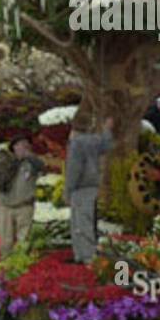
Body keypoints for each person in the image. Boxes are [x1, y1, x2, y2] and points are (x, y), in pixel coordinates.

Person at [65, 113, 115, 263]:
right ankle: (86, 254)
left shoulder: (77, 144)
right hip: (92, 186)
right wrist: (107, 128)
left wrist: (68, 189)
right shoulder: (94, 141)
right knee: (88, 219)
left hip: (79, 187)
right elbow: (108, 144)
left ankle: (84, 255)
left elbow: (74, 169)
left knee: (79, 223)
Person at [0, 135, 42, 258]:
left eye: (27, 144)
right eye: (21, 144)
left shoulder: (32, 163)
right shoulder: (4, 160)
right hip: (6, 206)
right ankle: (5, 260)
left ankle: (20, 261)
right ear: (14, 147)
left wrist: (29, 156)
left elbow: (41, 166)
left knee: (23, 239)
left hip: (24, 206)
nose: (24, 147)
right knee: (6, 240)